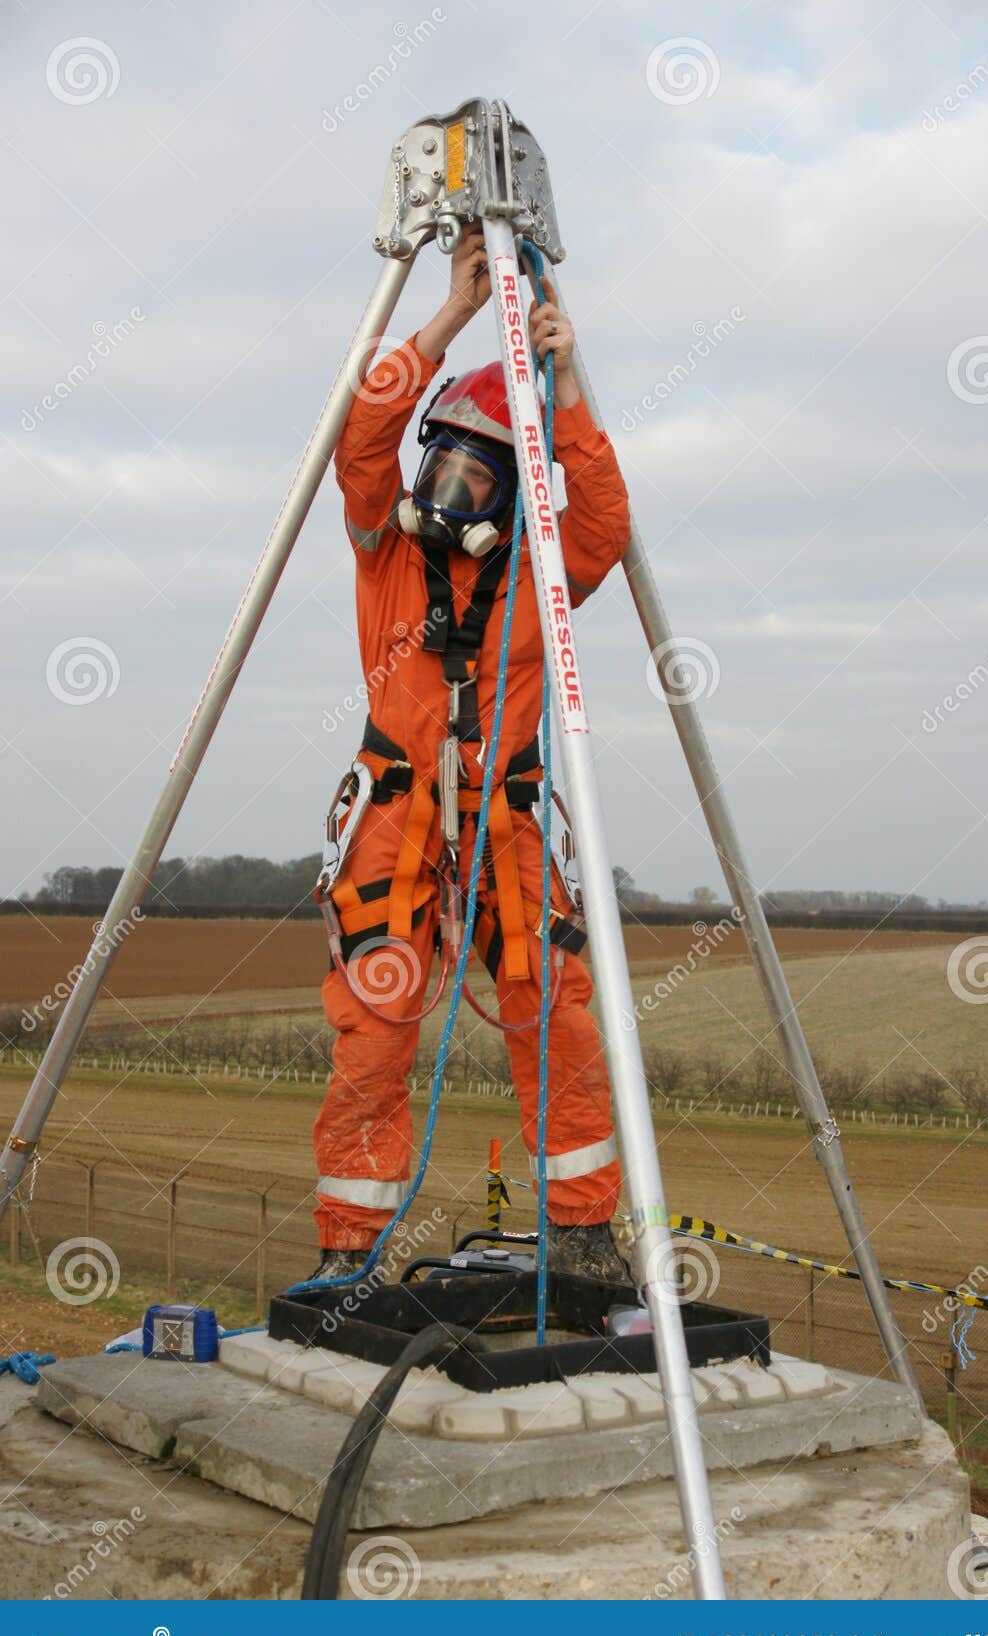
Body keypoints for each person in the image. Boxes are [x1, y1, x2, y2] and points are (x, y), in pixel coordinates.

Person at [309, 222, 633, 1283]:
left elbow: (603, 518)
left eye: (475, 472)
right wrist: (448, 314)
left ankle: (582, 1239)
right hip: (397, 817)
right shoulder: (384, 553)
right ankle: (348, 1252)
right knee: (375, 1028)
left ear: (513, 492)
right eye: (437, 459)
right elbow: (359, 435)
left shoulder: (545, 579)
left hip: (505, 817)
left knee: (556, 1013)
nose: (447, 487)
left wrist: (567, 378)